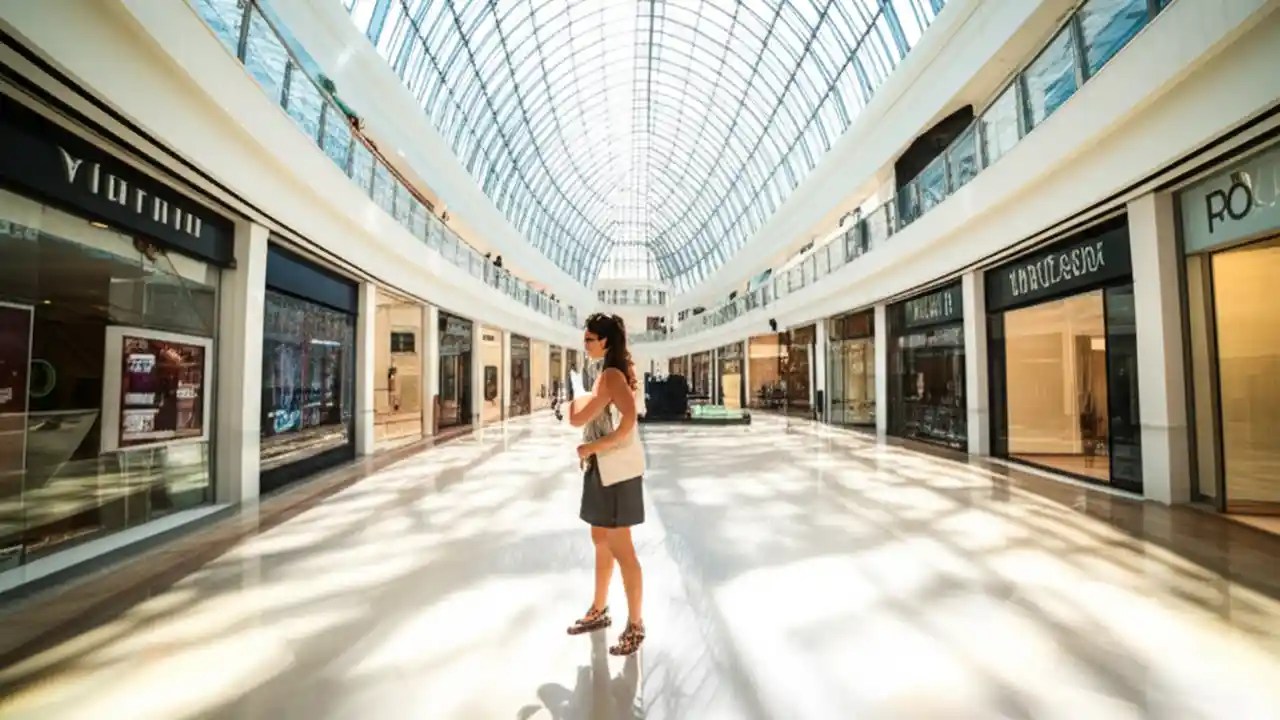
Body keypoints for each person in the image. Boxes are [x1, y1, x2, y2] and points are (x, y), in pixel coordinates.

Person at [565, 313, 645, 657]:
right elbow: (583, 415)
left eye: (589, 339)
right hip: (603, 470)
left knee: (621, 547)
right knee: (600, 539)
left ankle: (636, 625)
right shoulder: (608, 374)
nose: (585, 345)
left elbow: (626, 422)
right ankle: (599, 609)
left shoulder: (611, 375)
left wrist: (592, 446)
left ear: (605, 342)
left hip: (616, 472)